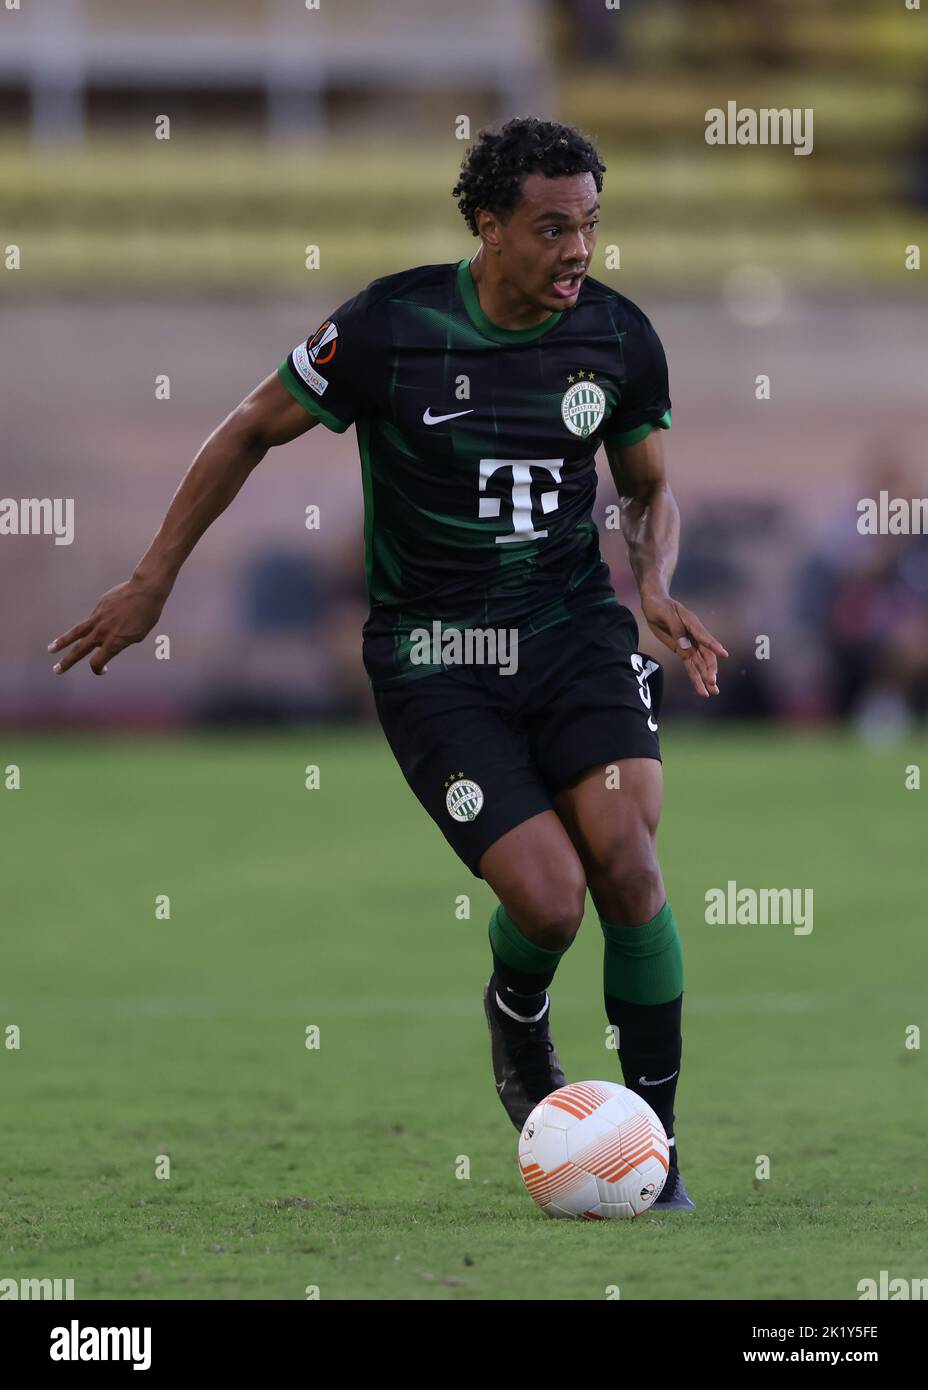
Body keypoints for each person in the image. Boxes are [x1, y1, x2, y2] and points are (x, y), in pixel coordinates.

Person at [49, 118, 727, 1210]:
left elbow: (647, 487)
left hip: (571, 633)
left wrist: (650, 583)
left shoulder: (615, 335)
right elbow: (244, 429)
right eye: (552, 228)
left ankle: (658, 1144)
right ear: (487, 225)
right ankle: (518, 1012)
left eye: (591, 225)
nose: (577, 251)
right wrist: (151, 581)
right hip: (435, 658)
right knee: (552, 903)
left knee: (630, 863)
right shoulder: (389, 326)